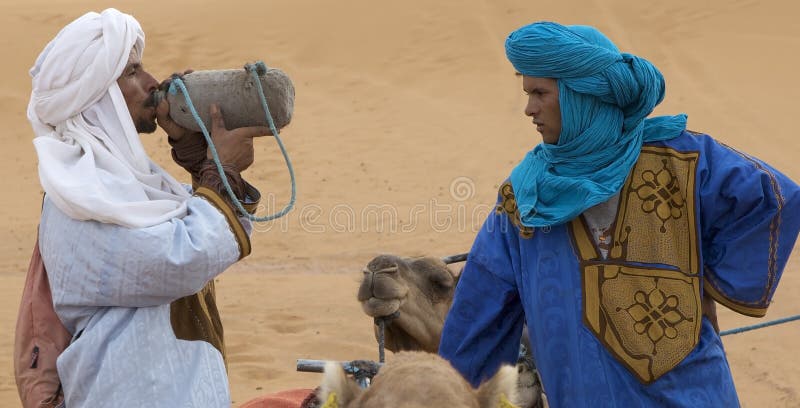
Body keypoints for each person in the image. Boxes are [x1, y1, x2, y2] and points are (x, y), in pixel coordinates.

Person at [438, 21, 800, 407]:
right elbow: (479, 315)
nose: (528, 109)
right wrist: (453, 393)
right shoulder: (526, 198)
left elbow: (775, 198)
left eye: (540, 93)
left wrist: (705, 279)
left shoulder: (686, 162)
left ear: (582, 95)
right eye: (528, 94)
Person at [26, 8, 270, 407]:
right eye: (132, 72)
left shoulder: (134, 189)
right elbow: (182, 259)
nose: (153, 83)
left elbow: (204, 232)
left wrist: (199, 163)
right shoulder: (77, 201)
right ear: (96, 97)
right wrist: (218, 170)